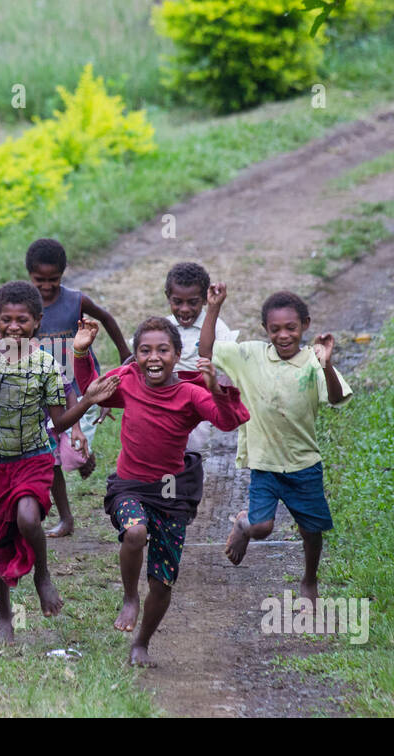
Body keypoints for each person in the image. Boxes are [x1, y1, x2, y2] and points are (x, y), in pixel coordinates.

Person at [72, 315, 248, 667]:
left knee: (162, 581)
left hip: (170, 492)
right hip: (129, 486)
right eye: (145, 350)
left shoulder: (189, 393)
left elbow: (229, 420)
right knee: (134, 532)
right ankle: (128, 597)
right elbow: (93, 390)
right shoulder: (128, 380)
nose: (154, 357)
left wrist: (215, 388)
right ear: (135, 355)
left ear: (177, 354)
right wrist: (80, 353)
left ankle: (142, 643)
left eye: (163, 350)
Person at [0, 281, 120, 643]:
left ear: (37, 323)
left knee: (28, 518)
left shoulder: (46, 363)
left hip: (33, 457)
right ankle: (5, 618)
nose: (13, 326)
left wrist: (89, 399)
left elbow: (58, 422)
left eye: (22, 320)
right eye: (6, 320)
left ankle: (42, 574)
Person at [207, 288, 352, 606]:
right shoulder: (250, 356)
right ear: (265, 330)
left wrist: (327, 364)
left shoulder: (313, 362)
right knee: (262, 528)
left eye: (291, 328)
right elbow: (207, 352)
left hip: (304, 463)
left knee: (311, 530)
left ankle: (309, 579)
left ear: (306, 325)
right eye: (275, 329)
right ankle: (244, 523)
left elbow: (339, 398)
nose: (283, 335)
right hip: (265, 464)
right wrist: (214, 308)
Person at [25, 237, 131, 537]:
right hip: (40, 390)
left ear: (63, 273)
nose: (46, 286)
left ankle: (85, 455)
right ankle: (66, 518)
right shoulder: (25, 303)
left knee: (73, 450)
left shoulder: (75, 300)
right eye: (39, 280)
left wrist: (125, 354)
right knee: (52, 458)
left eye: (53, 279)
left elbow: (107, 318)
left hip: (77, 387)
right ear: (29, 276)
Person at [135, 261, 240, 452]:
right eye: (177, 301)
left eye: (192, 302)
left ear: (205, 300)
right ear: (168, 298)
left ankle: (191, 477)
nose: (184, 309)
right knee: (161, 445)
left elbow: (229, 363)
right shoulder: (162, 327)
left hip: (198, 400)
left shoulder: (216, 327)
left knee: (195, 448)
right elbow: (139, 361)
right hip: (165, 395)